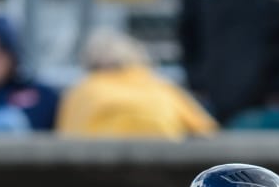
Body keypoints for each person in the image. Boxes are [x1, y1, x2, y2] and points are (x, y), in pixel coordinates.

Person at [55, 28, 219, 140]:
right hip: (161, 166)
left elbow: (66, 135)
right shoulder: (158, 84)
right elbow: (205, 128)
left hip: (95, 174)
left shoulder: (82, 89)